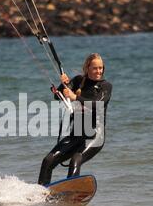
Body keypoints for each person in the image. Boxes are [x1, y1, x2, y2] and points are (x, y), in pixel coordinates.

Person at [38, 53, 112, 185]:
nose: (98, 71)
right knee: (48, 160)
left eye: (101, 68)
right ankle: (39, 193)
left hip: (94, 136)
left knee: (75, 160)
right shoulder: (78, 81)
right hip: (76, 134)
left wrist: (75, 98)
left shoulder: (105, 86)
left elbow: (97, 104)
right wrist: (64, 85)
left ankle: (72, 192)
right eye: (95, 68)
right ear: (87, 68)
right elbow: (59, 97)